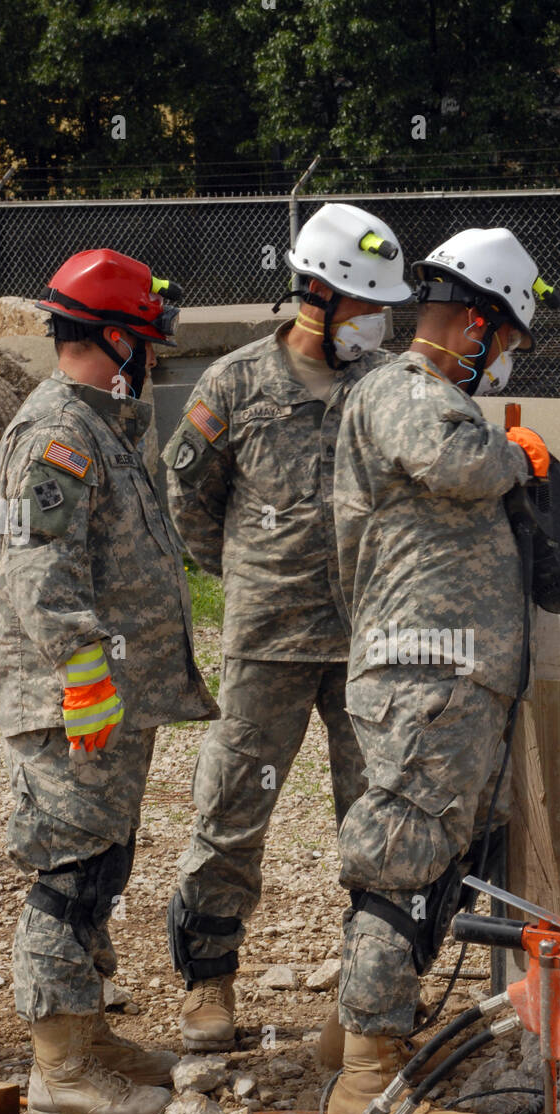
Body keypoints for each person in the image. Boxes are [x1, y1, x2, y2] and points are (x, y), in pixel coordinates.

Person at [163, 203, 413, 1052]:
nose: (378, 320)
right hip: (266, 642)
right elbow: (189, 497)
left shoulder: (383, 386)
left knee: (375, 821)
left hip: (367, 646)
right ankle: (209, 986)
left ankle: (366, 1007)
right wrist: (245, 575)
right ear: (316, 295)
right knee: (231, 813)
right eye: (362, 302)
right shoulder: (233, 383)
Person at [328, 228, 556, 1114]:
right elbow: (458, 464)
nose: (501, 361)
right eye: (502, 342)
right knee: (401, 861)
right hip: (424, 676)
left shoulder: (432, 398)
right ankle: (366, 1087)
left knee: (427, 867)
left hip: (454, 682)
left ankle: (381, 1052)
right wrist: (522, 461)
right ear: (473, 322)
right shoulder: (403, 392)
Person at [0, 248, 218, 1114]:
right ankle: (58, 1070)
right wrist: (84, 676)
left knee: (103, 861)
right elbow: (37, 568)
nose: (156, 358)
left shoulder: (103, 426)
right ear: (116, 339)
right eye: (148, 341)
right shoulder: (54, 434)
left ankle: (85, 1036)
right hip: (71, 700)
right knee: (69, 870)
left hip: (112, 696)